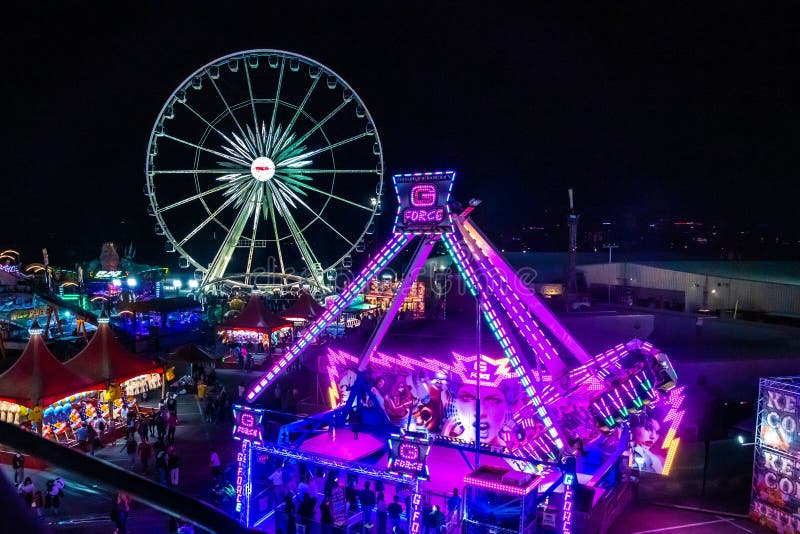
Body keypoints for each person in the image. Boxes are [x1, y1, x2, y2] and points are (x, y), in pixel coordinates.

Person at [442, 355, 517, 447]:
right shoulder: (446, 451)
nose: (480, 412)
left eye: (493, 400)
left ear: (506, 406)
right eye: (467, 398)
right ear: (455, 402)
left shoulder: (514, 456)